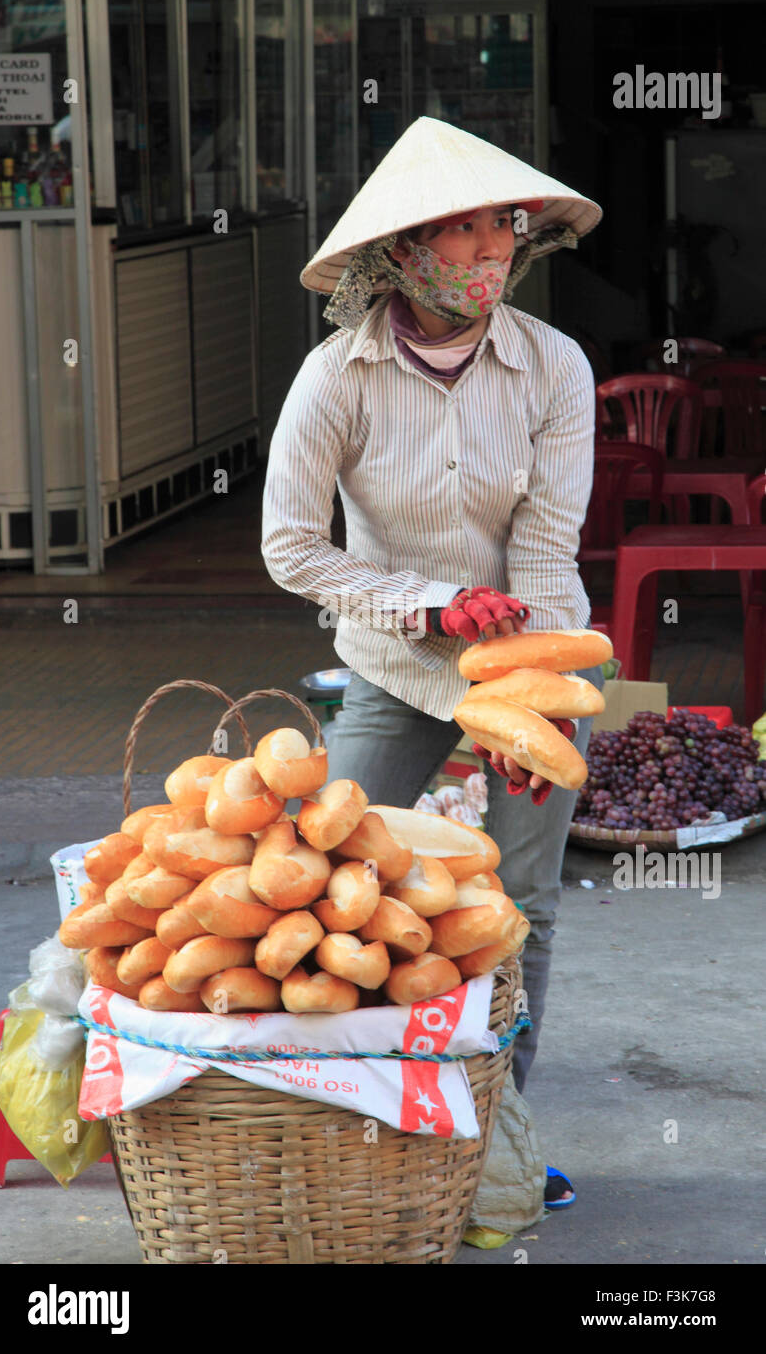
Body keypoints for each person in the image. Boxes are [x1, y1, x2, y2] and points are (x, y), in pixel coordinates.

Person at [261, 117, 604, 1207]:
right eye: (458, 236)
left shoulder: (552, 366)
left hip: (524, 659)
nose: (488, 256)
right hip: (393, 665)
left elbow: (545, 554)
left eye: (502, 230)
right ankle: (345, 1125)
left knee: (522, 907)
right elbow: (290, 547)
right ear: (402, 253)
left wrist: (517, 710)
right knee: (322, 886)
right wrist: (429, 605)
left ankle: (496, 1134)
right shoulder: (335, 378)